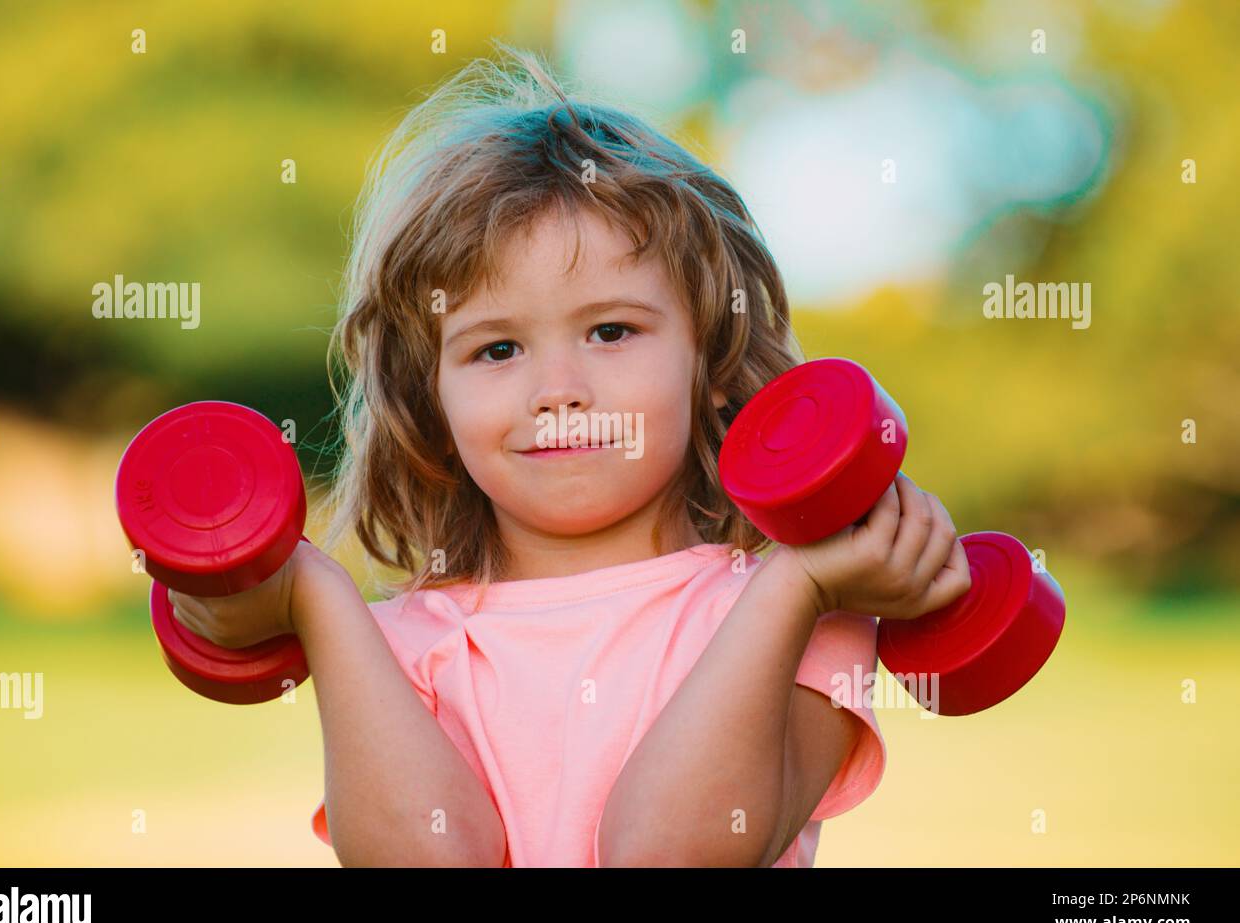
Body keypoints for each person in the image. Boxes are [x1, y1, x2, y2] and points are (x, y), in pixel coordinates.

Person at [167, 43, 971, 867]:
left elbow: (666, 855)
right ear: (431, 402)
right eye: (497, 349)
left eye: (611, 331)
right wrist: (315, 597)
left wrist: (795, 584)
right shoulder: (394, 647)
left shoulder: (802, 614)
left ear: (715, 364)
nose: (558, 389)